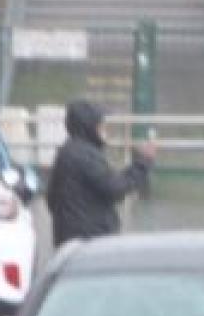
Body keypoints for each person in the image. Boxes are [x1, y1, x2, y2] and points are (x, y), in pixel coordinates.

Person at [45, 99, 153, 246]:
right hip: (89, 238)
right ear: (89, 127)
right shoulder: (84, 155)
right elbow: (114, 188)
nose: (105, 131)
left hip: (70, 236)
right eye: (101, 126)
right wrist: (142, 163)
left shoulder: (68, 151)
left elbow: (51, 198)